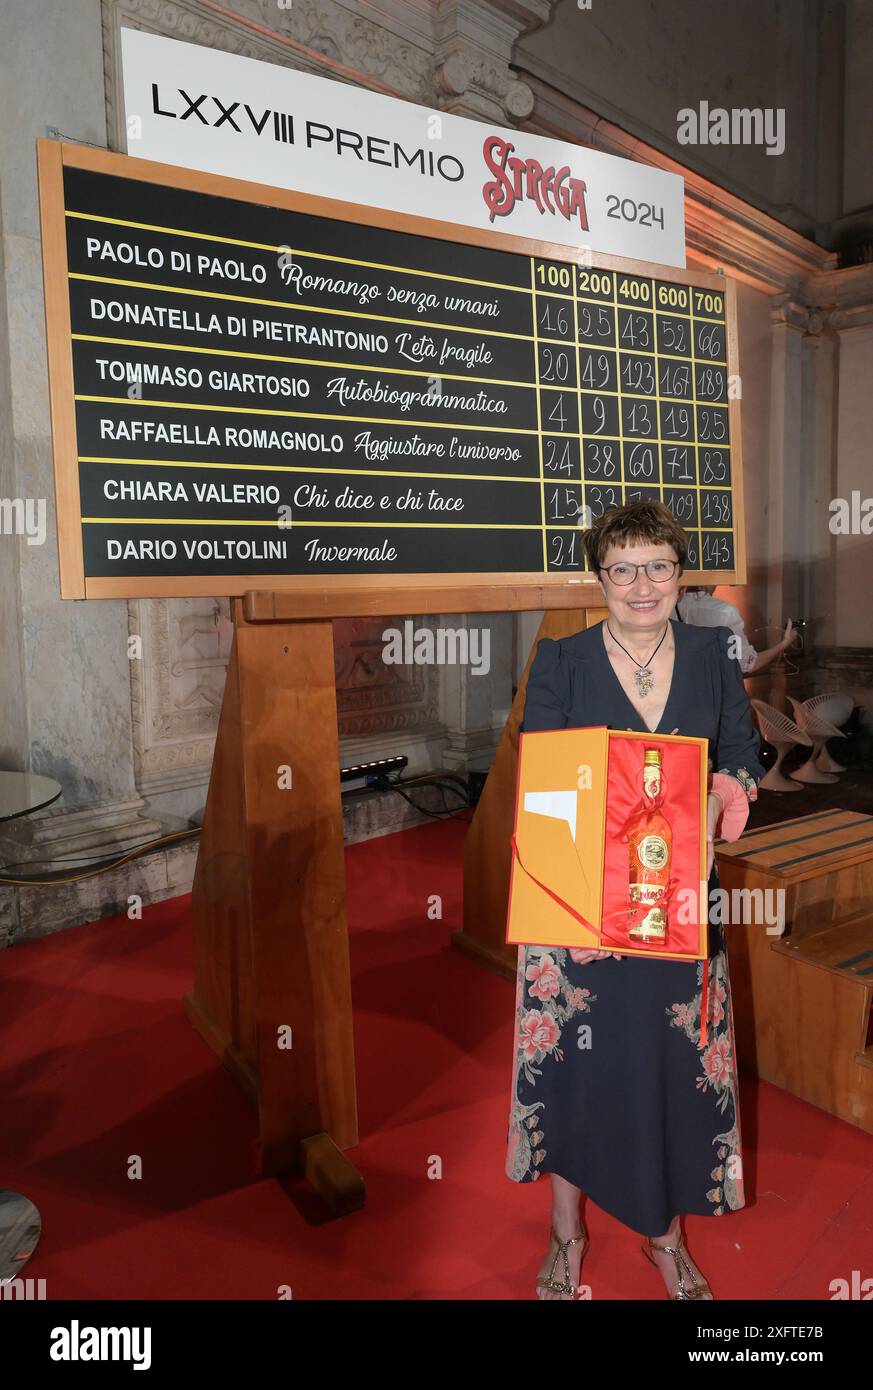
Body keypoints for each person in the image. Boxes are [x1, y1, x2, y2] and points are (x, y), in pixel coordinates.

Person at [505, 499, 765, 1300]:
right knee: (577, 1074)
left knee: (668, 1068)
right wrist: (575, 912)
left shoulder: (712, 654)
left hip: (679, 908)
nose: (641, 584)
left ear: (679, 574)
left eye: (657, 566)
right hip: (582, 916)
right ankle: (565, 1237)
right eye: (622, 568)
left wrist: (730, 788)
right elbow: (545, 789)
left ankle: (664, 1239)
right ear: (599, 577)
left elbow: (743, 751)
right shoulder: (561, 660)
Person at [677, 585, 799, 675]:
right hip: (712, 701)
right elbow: (748, 664)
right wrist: (784, 643)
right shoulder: (725, 612)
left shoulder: (669, 604)